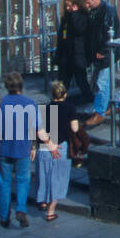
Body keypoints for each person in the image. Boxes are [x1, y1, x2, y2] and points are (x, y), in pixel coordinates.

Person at [0, 72, 39, 229]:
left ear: (6, 86)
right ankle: (21, 209)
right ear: (21, 85)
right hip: (23, 148)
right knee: (23, 180)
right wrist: (34, 146)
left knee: (4, 182)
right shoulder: (30, 103)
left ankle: (4, 217)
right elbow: (35, 128)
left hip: (3, 148)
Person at [81, 0, 120, 128]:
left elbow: (110, 33)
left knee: (101, 82)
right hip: (103, 52)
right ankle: (114, 104)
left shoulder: (107, 11)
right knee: (105, 80)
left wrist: (104, 51)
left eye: (88, 2)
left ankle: (99, 112)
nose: (87, 5)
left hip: (108, 52)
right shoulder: (96, 11)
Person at [34, 81, 77, 222]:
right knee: (57, 179)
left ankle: (42, 201)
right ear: (65, 94)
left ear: (52, 95)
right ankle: (50, 212)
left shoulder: (43, 109)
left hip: (45, 145)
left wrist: (33, 147)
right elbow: (75, 128)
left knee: (44, 176)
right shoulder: (70, 108)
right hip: (60, 145)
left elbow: (37, 130)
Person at [54, 0, 91, 106]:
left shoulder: (83, 16)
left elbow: (79, 30)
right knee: (63, 80)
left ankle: (88, 99)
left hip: (77, 54)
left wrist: (75, 14)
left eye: (70, 5)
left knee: (81, 79)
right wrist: (58, 55)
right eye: (66, 6)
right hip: (66, 54)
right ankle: (59, 100)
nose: (68, 8)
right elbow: (61, 37)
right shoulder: (66, 18)